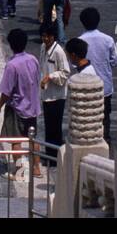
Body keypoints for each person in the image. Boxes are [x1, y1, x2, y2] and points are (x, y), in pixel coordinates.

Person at [0, 28, 43, 179]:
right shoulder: (33, 59)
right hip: (32, 106)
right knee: (32, 138)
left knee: (16, 140)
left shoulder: (12, 65)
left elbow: (6, 92)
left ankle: (21, 172)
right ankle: (37, 169)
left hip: (17, 108)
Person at [78, 7, 117, 139]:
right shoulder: (108, 39)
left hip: (86, 86)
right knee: (105, 117)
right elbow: (115, 61)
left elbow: (75, 64)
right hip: (105, 86)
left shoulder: (80, 41)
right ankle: (106, 142)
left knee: (87, 119)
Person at [39, 22, 70, 167]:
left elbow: (65, 73)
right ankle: (49, 154)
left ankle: (55, 157)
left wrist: (50, 76)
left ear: (53, 37)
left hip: (57, 96)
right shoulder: (42, 48)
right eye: (43, 36)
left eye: (47, 37)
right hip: (46, 94)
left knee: (55, 127)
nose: (45, 39)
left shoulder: (58, 51)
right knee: (48, 126)